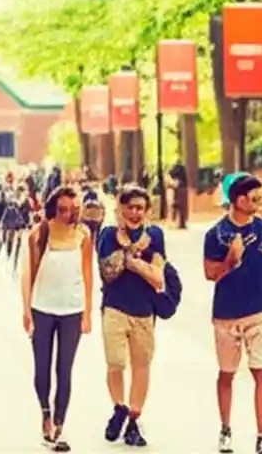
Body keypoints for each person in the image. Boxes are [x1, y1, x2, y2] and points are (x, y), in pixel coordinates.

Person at [204, 174, 262, 454]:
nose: (258, 202)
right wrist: (230, 260)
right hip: (226, 313)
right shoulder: (216, 234)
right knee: (227, 374)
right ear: (239, 200)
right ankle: (225, 429)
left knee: (260, 372)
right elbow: (210, 274)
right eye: (253, 197)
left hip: (259, 310)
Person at [22, 186, 93, 453]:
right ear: (54, 208)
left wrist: (87, 313)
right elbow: (28, 272)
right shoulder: (40, 233)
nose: (69, 215)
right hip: (42, 307)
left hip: (71, 310)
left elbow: (87, 274)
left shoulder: (84, 235)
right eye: (63, 209)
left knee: (65, 369)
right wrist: (26, 309)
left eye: (74, 209)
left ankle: (60, 425)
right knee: (42, 368)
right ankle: (46, 412)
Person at [97, 185, 166, 448]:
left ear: (147, 211)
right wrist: (131, 250)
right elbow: (108, 273)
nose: (135, 213)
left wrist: (133, 258)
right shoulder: (107, 235)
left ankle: (134, 420)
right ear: (120, 209)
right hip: (115, 308)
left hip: (144, 312)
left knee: (141, 365)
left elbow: (157, 278)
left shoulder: (156, 236)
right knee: (115, 362)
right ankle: (119, 407)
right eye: (130, 207)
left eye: (140, 208)